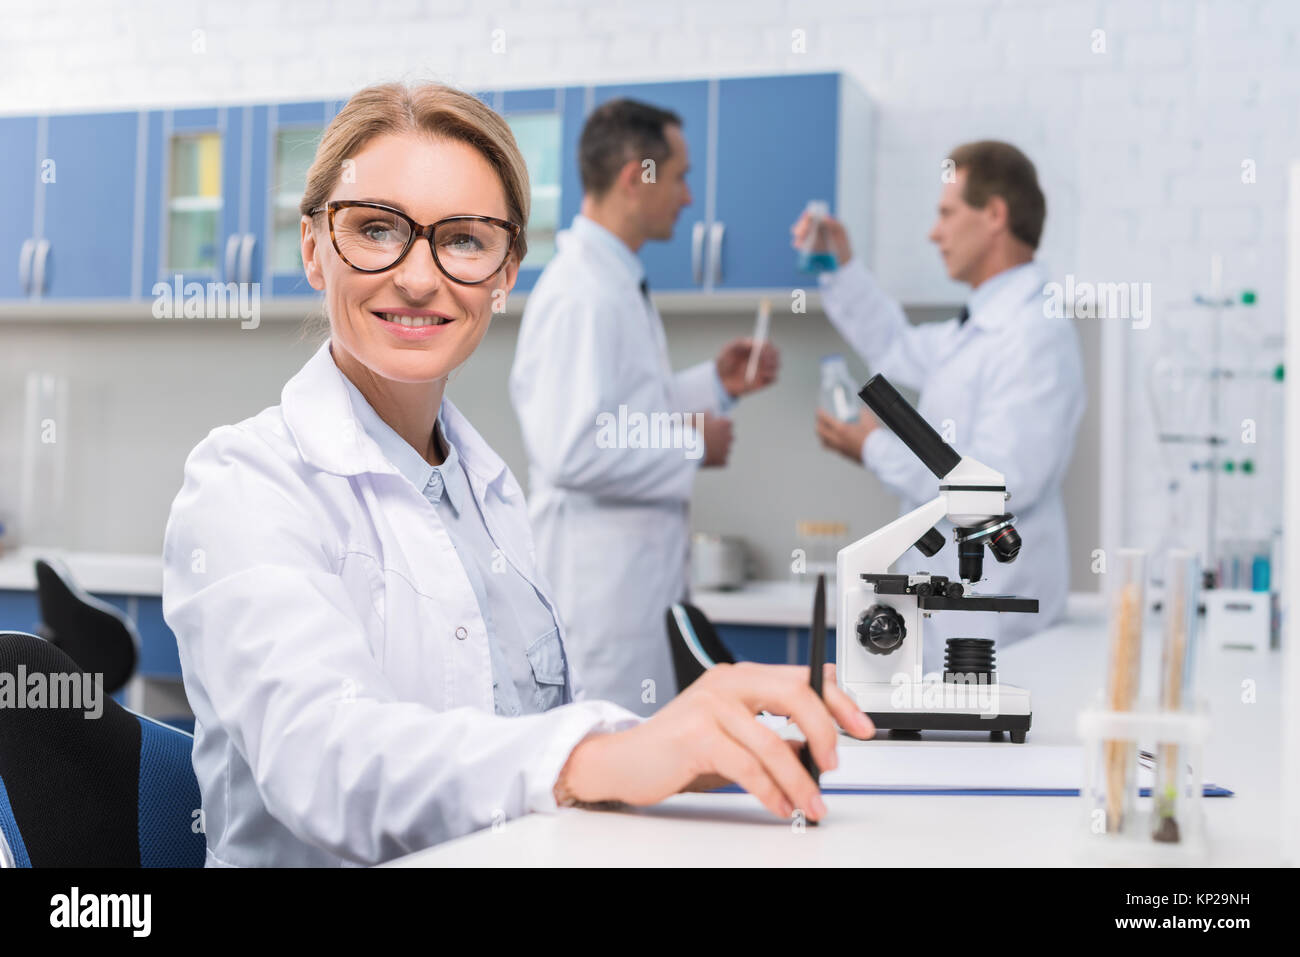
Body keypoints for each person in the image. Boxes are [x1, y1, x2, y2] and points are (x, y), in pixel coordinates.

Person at [162, 82, 869, 868]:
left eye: (464, 239)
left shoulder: (485, 492)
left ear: (505, 274)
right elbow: (325, 758)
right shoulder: (244, 483)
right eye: (376, 229)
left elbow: (519, 745)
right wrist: (601, 756)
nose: (418, 277)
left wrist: (690, 749)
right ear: (312, 249)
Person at [510, 99, 779, 716]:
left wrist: (715, 384)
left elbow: (624, 411)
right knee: (610, 763)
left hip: (630, 597)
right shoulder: (583, 295)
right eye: (680, 177)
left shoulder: (614, 283)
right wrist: (693, 442)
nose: (688, 197)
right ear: (637, 177)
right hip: (598, 609)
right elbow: (573, 450)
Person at [795, 141, 1085, 663]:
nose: (934, 232)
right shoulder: (976, 329)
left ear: (994, 215)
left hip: (998, 629)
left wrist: (874, 449)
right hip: (952, 618)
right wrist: (842, 265)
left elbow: (996, 486)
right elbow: (894, 346)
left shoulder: (1033, 334)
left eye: (947, 213)